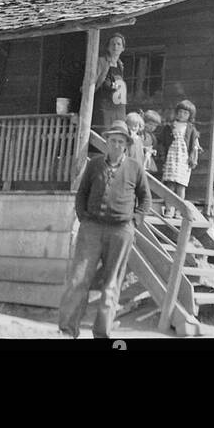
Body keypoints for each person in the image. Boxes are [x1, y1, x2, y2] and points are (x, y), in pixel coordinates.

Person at [58, 120, 151, 339]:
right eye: (112, 141)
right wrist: (84, 218)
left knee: (111, 284)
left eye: (121, 142)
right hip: (91, 229)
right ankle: (67, 330)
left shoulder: (135, 168)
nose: (117, 145)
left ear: (126, 145)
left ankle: (102, 332)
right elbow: (81, 193)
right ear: (106, 143)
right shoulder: (95, 164)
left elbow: (145, 199)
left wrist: (134, 222)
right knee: (78, 278)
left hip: (120, 231)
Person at [155, 100, 200, 218]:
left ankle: (179, 211)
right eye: (180, 112)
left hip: (183, 160)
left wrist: (193, 158)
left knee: (181, 186)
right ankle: (169, 209)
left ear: (190, 116)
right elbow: (162, 142)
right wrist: (162, 155)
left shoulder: (191, 129)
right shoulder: (169, 127)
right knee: (170, 184)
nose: (182, 115)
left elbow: (195, 146)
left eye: (185, 113)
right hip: (171, 158)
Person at [93, 33, 128, 130]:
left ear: (123, 48)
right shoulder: (102, 61)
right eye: (112, 44)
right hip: (105, 106)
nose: (115, 46)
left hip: (119, 107)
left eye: (118, 44)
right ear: (108, 47)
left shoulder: (120, 65)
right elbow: (94, 81)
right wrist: (110, 85)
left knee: (118, 131)